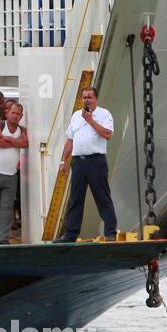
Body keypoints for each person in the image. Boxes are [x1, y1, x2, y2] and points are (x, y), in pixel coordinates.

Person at [57, 86, 118, 243]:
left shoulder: (104, 114)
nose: (87, 100)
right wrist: (63, 160)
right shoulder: (76, 116)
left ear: (96, 99)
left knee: (102, 197)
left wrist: (90, 120)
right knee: (76, 198)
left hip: (95, 161)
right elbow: (70, 139)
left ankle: (110, 233)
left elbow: (107, 134)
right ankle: (70, 234)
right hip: (78, 162)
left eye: (90, 97)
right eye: (84, 97)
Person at [0, 101, 26, 245]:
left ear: (21, 116)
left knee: (7, 208)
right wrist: (15, 141)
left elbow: (25, 143)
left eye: (17, 114)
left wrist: (7, 138)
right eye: (12, 112)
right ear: (8, 113)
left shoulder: (23, 130)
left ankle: (3, 239)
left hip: (11, 174)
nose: (14, 116)